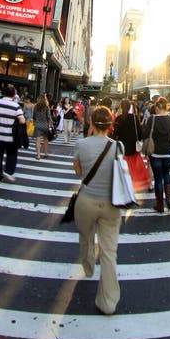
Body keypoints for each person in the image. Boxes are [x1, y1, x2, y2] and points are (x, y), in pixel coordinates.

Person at [73, 106, 122, 315]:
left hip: (86, 200)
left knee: (85, 236)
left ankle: (88, 265)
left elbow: (78, 172)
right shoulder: (118, 146)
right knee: (109, 252)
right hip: (111, 203)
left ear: (91, 122)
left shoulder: (81, 144)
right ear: (111, 125)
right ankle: (108, 302)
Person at [141, 96, 170, 213]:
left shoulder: (152, 119)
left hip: (156, 152)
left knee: (157, 178)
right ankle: (169, 201)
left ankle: (160, 205)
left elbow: (145, 134)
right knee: (167, 174)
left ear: (157, 107)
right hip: (168, 151)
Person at [0, 83, 25, 183]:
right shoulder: (16, 106)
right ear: (13, 95)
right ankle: (8, 171)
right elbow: (22, 120)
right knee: (12, 154)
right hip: (10, 136)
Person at [112, 99, 151, 191]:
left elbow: (115, 135)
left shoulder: (119, 119)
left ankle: (124, 188)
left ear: (121, 107)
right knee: (135, 170)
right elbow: (140, 134)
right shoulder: (134, 118)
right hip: (133, 148)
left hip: (122, 149)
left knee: (124, 170)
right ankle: (137, 185)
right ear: (130, 107)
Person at [33, 92, 54, 160]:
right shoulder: (46, 106)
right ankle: (45, 153)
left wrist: (34, 122)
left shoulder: (36, 106)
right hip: (45, 125)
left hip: (37, 124)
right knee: (45, 139)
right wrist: (51, 124)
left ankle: (38, 155)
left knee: (38, 140)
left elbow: (34, 116)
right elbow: (48, 116)